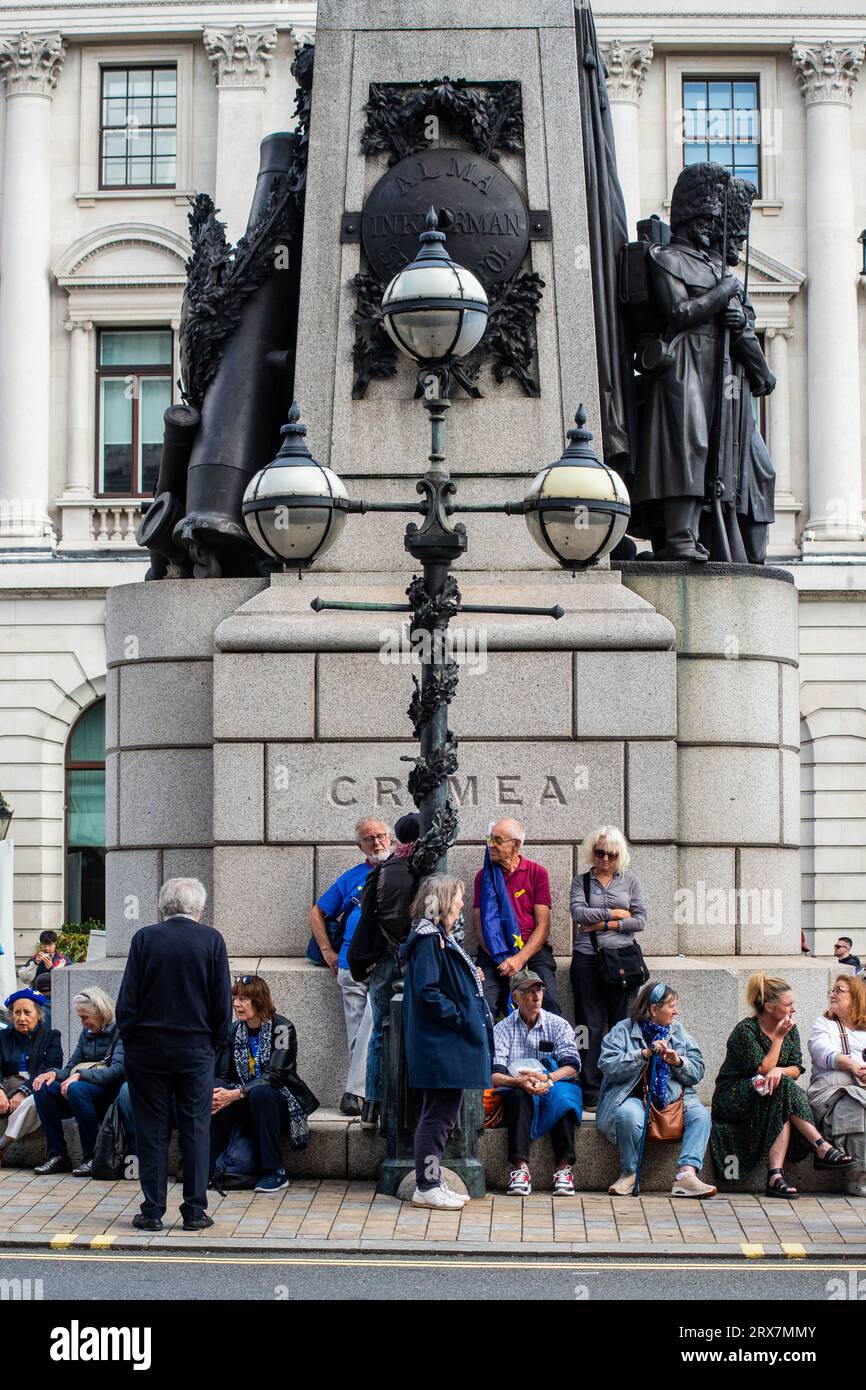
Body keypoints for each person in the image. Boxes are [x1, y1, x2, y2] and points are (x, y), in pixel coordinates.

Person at [115, 877, 232, 1233]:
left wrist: (133, 1040)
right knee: (196, 1129)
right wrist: (213, 1043)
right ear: (198, 909)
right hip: (195, 1049)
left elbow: (127, 1003)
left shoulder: (145, 939)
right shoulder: (211, 940)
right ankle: (194, 1211)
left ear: (163, 907)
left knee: (152, 1130)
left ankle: (151, 1211)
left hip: (147, 1050)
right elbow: (221, 1004)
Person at [710, 971, 854, 1198]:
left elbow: (796, 1068)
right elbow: (763, 1071)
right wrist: (777, 1039)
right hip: (735, 1096)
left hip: (771, 1094)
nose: (793, 1009)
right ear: (769, 1006)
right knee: (782, 1086)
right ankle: (820, 1147)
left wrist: (780, 1070)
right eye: (788, 1004)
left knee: (783, 1090)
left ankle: (776, 1176)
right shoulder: (745, 1031)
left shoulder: (790, 1028)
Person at [401, 874, 492, 1210]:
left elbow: (443, 980)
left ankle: (433, 1181)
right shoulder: (428, 939)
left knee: (441, 1116)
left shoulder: (439, 937)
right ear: (441, 900)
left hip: (446, 1044)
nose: (461, 903)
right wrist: (460, 1016)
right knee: (437, 1117)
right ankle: (426, 1185)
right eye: (457, 897)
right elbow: (428, 991)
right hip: (441, 1045)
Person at [598, 980, 716, 1198]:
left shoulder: (678, 1031)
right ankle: (629, 1174)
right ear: (654, 1009)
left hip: (677, 1097)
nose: (676, 1012)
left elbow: (698, 1070)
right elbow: (608, 1065)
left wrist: (677, 1061)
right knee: (626, 1115)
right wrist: (642, 1055)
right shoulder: (622, 1030)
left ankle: (687, 1175)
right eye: (671, 1006)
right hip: (634, 1097)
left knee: (701, 1116)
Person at [309, 816, 392, 1115]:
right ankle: (369, 1094)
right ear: (360, 845)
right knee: (359, 1032)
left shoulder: (400, 871)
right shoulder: (351, 877)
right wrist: (327, 951)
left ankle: (355, 1092)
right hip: (347, 964)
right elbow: (318, 911)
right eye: (369, 839)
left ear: (391, 838)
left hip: (384, 964)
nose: (376, 842)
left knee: (369, 1023)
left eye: (381, 836)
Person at [211, 975, 319, 1192]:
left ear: (259, 1001)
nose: (236, 1004)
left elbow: (275, 1075)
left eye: (243, 999)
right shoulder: (233, 1031)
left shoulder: (281, 1029)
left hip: (279, 1102)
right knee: (215, 1091)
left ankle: (275, 1172)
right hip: (245, 1099)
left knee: (261, 1092)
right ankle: (211, 1167)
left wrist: (237, 1093)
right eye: (235, 998)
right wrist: (220, 1092)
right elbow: (223, 1073)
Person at [349, 813, 419, 1129]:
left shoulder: (386, 869)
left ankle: (372, 1106)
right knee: (394, 1031)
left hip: (382, 963)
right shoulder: (411, 871)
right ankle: (402, 1106)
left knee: (379, 1031)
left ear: (396, 840)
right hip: (403, 961)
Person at [570, 825, 647, 1108]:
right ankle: (590, 1089)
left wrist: (600, 923)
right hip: (587, 959)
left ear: (619, 855)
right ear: (592, 852)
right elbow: (578, 913)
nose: (604, 859)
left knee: (622, 1023)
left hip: (623, 961)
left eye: (611, 854)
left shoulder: (631, 881)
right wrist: (614, 913)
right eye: (600, 852)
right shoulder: (581, 882)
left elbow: (639, 920)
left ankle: (623, 1086)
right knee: (588, 1026)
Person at [490, 970, 582, 1196]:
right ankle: (520, 1169)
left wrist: (549, 1078)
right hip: (516, 1084)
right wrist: (519, 1081)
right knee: (519, 1097)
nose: (536, 997)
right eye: (529, 992)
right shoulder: (502, 1029)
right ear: (516, 998)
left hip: (553, 1081)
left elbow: (572, 1066)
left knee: (562, 1098)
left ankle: (563, 1169)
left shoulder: (558, 1025)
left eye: (539, 990)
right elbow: (495, 1075)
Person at [473, 817, 560, 1019]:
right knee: (483, 1005)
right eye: (489, 838)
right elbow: (479, 927)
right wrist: (504, 958)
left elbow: (543, 926)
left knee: (549, 1002)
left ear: (516, 845)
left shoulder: (536, 873)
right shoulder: (484, 877)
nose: (490, 845)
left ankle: (546, 1050)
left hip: (531, 951)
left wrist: (519, 959)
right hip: (493, 953)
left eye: (497, 840)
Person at [32, 986, 125, 1177]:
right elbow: (71, 1067)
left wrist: (80, 1075)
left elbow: (118, 1072)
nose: (82, 1023)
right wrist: (53, 1074)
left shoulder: (121, 1031)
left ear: (101, 1013)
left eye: (85, 1017)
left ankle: (91, 1156)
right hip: (82, 1090)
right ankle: (57, 1155)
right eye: (80, 1017)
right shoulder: (87, 1034)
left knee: (76, 1089)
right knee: (44, 1087)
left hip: (109, 1094)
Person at [808, 975, 866, 1198]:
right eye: (831, 990)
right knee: (855, 1104)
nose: (832, 994)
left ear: (856, 997)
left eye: (839, 990)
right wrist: (851, 1065)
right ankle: (858, 1176)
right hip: (830, 1093)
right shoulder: (825, 1024)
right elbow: (820, 1050)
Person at [0, 989, 62, 1166]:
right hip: (6, 1087)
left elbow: (48, 1068)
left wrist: (22, 1092)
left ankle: (2, 1144)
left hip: (33, 1089)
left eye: (27, 1012)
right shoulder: (3, 1037)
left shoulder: (51, 1037)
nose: (21, 1018)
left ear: (39, 1014)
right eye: (16, 1012)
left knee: (35, 1101)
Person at [17, 931, 70, 1029]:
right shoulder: (35, 959)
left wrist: (51, 967)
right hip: (36, 998)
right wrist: (35, 964)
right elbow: (24, 978)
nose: (47, 949)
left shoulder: (63, 959)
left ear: (55, 944)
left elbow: (67, 979)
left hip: (56, 998)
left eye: (50, 945)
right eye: (44, 946)